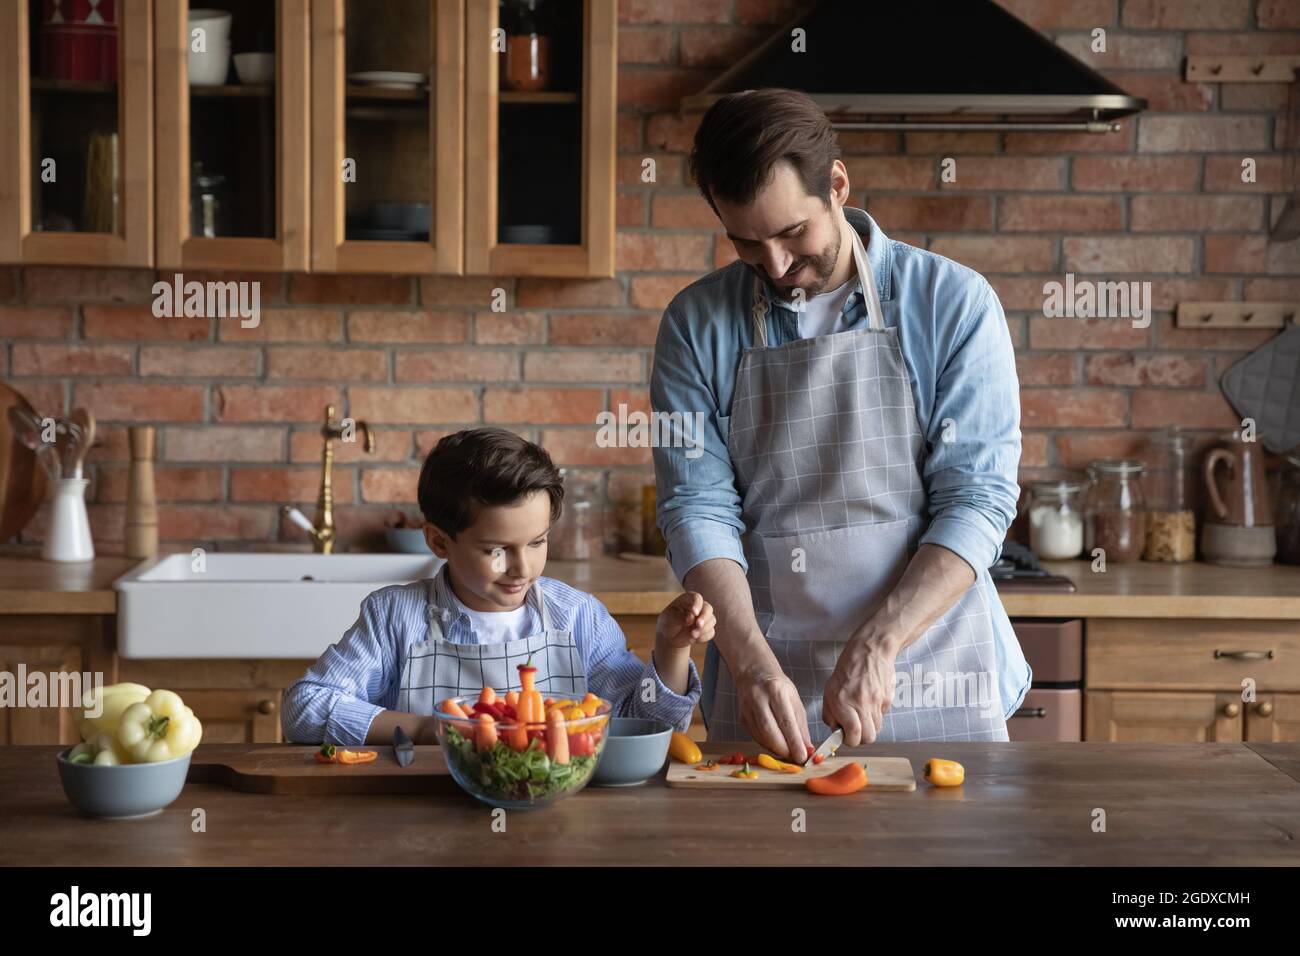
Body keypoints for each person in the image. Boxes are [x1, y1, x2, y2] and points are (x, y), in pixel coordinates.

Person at [650, 88, 1031, 759]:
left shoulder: (953, 302)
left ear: (837, 184)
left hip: (934, 662)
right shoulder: (694, 323)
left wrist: (880, 642)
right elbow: (694, 503)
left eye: (792, 233)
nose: (773, 265)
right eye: (745, 241)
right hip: (767, 668)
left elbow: (977, 496)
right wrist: (747, 661)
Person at [282, 428, 714, 745]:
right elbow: (304, 709)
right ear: (438, 541)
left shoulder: (578, 615)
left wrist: (672, 650)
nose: (522, 567)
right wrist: (423, 728)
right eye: (496, 549)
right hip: (421, 819)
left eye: (537, 542)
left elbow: (644, 721)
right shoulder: (395, 617)